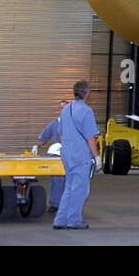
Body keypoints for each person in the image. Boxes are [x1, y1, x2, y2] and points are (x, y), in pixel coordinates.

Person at [52, 81, 99, 230]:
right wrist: (96, 156)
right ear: (87, 93)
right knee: (79, 189)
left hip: (67, 153)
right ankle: (74, 220)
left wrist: (68, 148)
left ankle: (60, 220)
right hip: (80, 155)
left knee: (69, 188)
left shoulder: (66, 109)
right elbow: (90, 137)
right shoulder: (87, 111)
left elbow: (61, 134)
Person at [37, 102, 69, 211]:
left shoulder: (75, 124)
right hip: (56, 155)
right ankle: (55, 204)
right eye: (61, 108)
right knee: (57, 180)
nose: (63, 110)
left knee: (70, 180)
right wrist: (36, 147)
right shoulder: (54, 124)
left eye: (65, 108)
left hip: (70, 155)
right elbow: (43, 138)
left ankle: (68, 204)